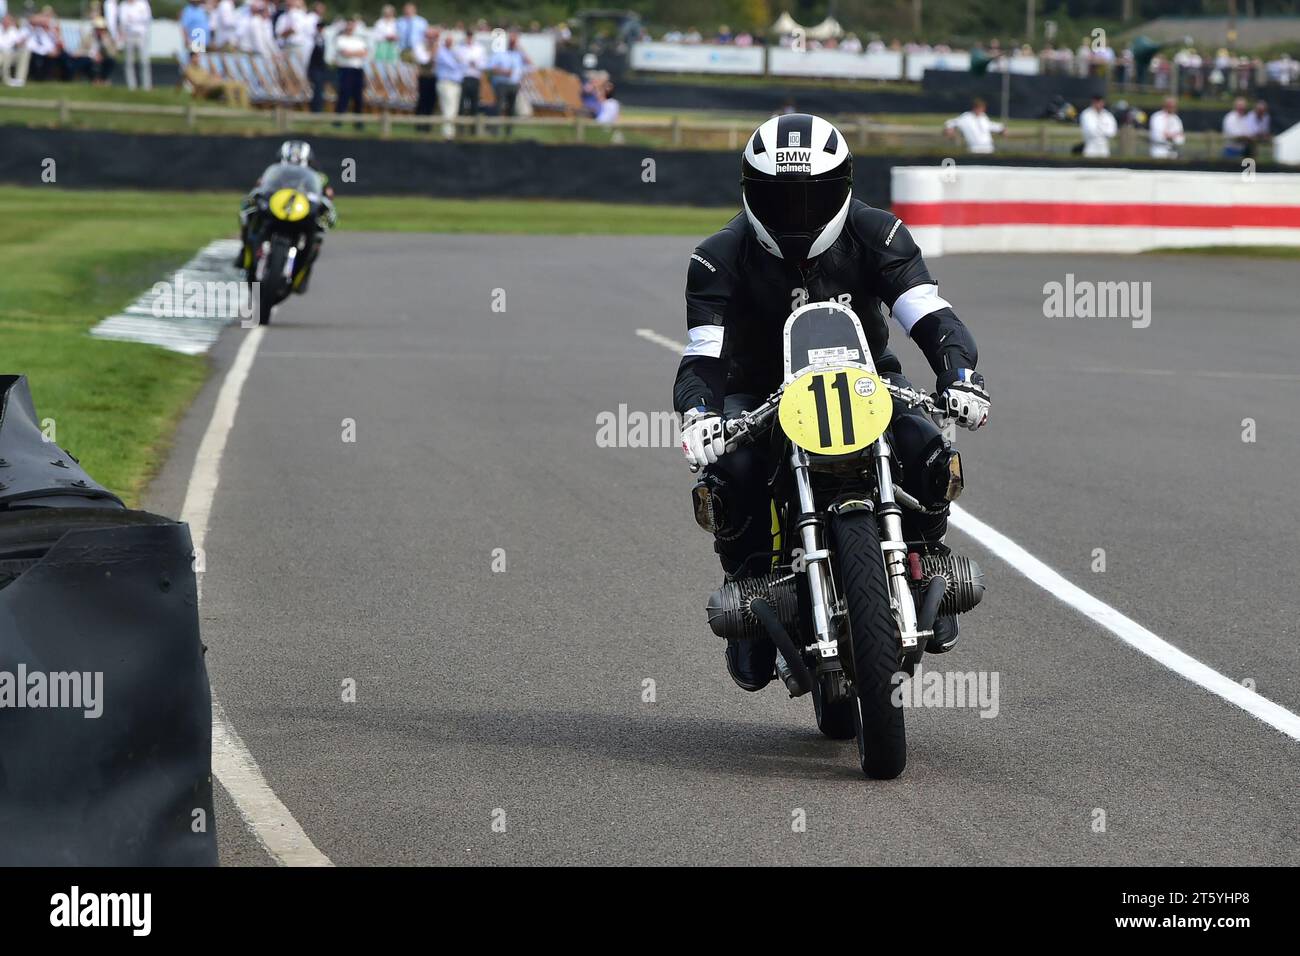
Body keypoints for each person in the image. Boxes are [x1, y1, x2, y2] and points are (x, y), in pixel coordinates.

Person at [674, 114, 988, 690]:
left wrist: (960, 375)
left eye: (811, 198)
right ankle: (751, 593)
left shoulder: (880, 234)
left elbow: (929, 313)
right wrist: (699, 417)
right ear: (750, 192)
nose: (796, 214)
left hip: (869, 381)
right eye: (779, 197)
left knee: (927, 445)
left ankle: (924, 553)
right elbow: (704, 355)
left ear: (842, 188)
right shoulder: (718, 256)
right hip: (760, 394)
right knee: (731, 469)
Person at [238, 140, 336, 292]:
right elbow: (261, 185)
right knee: (250, 217)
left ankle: (303, 273)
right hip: (276, 208)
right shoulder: (274, 170)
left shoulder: (318, 176)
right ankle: (245, 251)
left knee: (317, 238)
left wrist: (324, 202)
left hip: (301, 212)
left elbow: (327, 195)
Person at [487, 28, 528, 135]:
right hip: (501, 84)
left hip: (513, 84)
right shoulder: (500, 53)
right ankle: (495, 130)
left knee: (512, 108)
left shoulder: (518, 54)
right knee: (499, 107)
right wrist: (504, 72)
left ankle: (509, 131)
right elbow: (491, 67)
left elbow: (529, 64)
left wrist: (520, 49)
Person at [332, 14, 367, 128]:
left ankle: (358, 122)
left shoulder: (359, 40)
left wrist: (353, 53)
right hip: (345, 69)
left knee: (358, 97)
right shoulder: (340, 39)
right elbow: (345, 53)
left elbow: (364, 53)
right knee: (344, 95)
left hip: (357, 69)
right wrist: (356, 53)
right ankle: (338, 121)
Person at [434, 30, 462, 139]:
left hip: (455, 83)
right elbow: (454, 65)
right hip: (446, 83)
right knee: (448, 109)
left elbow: (462, 64)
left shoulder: (453, 52)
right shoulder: (441, 52)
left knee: (453, 109)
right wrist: (459, 62)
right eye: (448, 41)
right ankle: (447, 134)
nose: (450, 43)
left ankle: (450, 132)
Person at [118, 0, 151, 89]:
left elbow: (146, 18)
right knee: (129, 62)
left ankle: (146, 86)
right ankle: (131, 86)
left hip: (141, 35)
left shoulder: (142, 3)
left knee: (144, 61)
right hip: (128, 35)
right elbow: (123, 21)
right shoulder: (123, 6)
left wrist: (133, 19)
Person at [1079, 94, 1117, 158]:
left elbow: (1112, 132)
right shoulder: (1086, 114)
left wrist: (1100, 130)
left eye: (1101, 102)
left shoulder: (1108, 115)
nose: (1099, 104)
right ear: (1093, 102)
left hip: (1104, 149)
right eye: (1097, 102)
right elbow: (1091, 131)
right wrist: (1104, 130)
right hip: (1090, 148)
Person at [455, 30, 483, 116]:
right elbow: (458, 62)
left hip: (475, 78)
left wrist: (476, 63)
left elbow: (483, 63)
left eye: (470, 36)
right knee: (461, 102)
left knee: (474, 102)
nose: (469, 38)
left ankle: (473, 128)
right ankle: (461, 126)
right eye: (468, 36)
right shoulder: (459, 48)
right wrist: (467, 62)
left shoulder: (479, 48)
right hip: (463, 77)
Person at [0, 14, 31, 86]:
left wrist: (22, 42)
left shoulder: (13, 30)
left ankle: (20, 80)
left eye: (8, 21)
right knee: (5, 55)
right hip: (1, 53)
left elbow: (18, 43)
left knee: (25, 52)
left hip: (10, 54)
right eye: (5, 20)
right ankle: (6, 79)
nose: (6, 22)